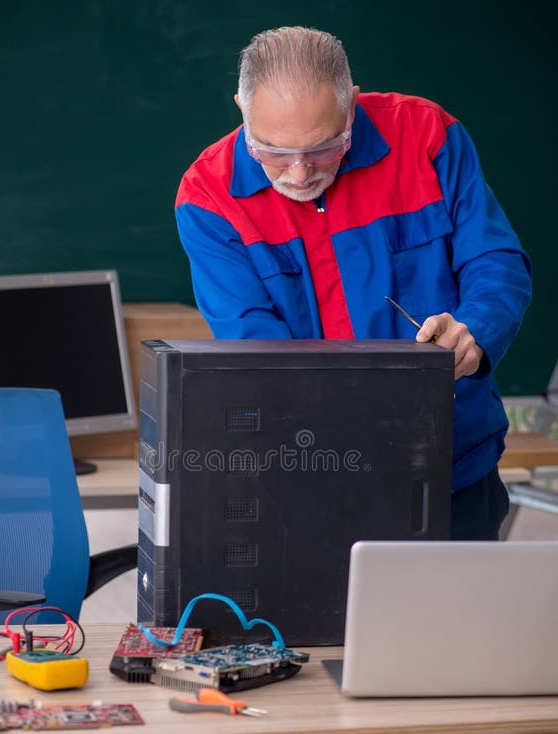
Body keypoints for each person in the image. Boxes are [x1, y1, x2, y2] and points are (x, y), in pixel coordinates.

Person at [175, 25, 532, 540]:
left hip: (454, 467)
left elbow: (496, 260)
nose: (298, 175)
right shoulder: (208, 197)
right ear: (241, 109)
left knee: (456, 620)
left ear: (352, 105)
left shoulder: (427, 136)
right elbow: (254, 344)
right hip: (309, 479)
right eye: (272, 151)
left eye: (323, 148)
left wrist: (473, 330)